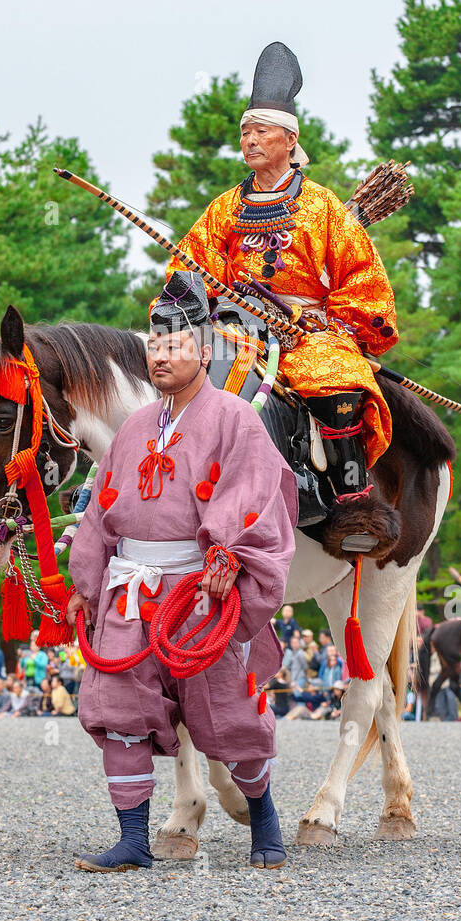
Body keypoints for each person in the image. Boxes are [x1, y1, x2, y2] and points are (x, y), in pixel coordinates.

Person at [67, 271, 297, 872]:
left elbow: (253, 492)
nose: (161, 356)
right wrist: (85, 582)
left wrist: (227, 553)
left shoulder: (235, 417)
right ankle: (133, 840)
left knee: (226, 709)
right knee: (117, 705)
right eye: (155, 345)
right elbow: (101, 509)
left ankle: (264, 819)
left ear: (204, 350)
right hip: (129, 590)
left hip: (199, 590)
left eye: (175, 345)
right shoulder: (135, 426)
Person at [163, 41, 399, 560]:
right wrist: (196, 298)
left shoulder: (322, 206)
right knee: (171, 369)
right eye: (245, 131)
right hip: (233, 325)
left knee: (333, 373)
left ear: (290, 139)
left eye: (261, 131)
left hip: (307, 332)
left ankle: (352, 503)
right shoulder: (224, 209)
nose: (249, 140)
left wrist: (326, 322)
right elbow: (188, 267)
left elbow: (363, 278)